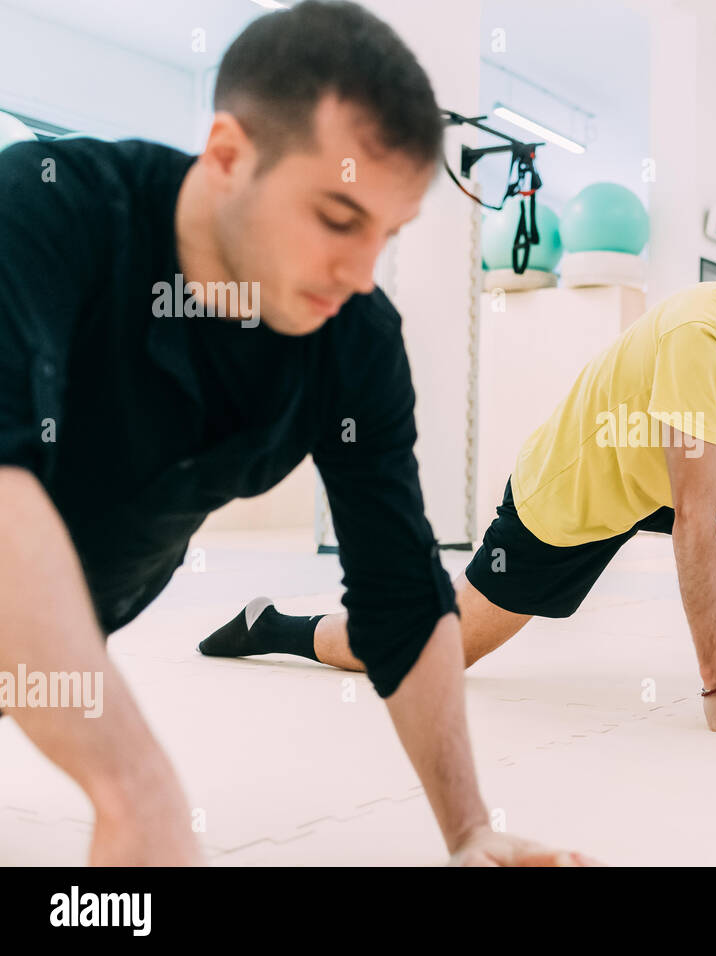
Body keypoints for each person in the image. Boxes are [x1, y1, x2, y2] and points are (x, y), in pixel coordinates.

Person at [0, 0, 591, 866]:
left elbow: (399, 595)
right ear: (230, 155)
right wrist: (137, 788)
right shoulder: (49, 210)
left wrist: (470, 831)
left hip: (64, 622)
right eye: (340, 219)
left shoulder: (352, 338)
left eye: (389, 235)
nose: (360, 274)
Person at [202, 190, 716, 735]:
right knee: (437, 654)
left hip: (661, 476)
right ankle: (274, 627)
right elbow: (694, 520)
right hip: (576, 496)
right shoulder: (706, 334)